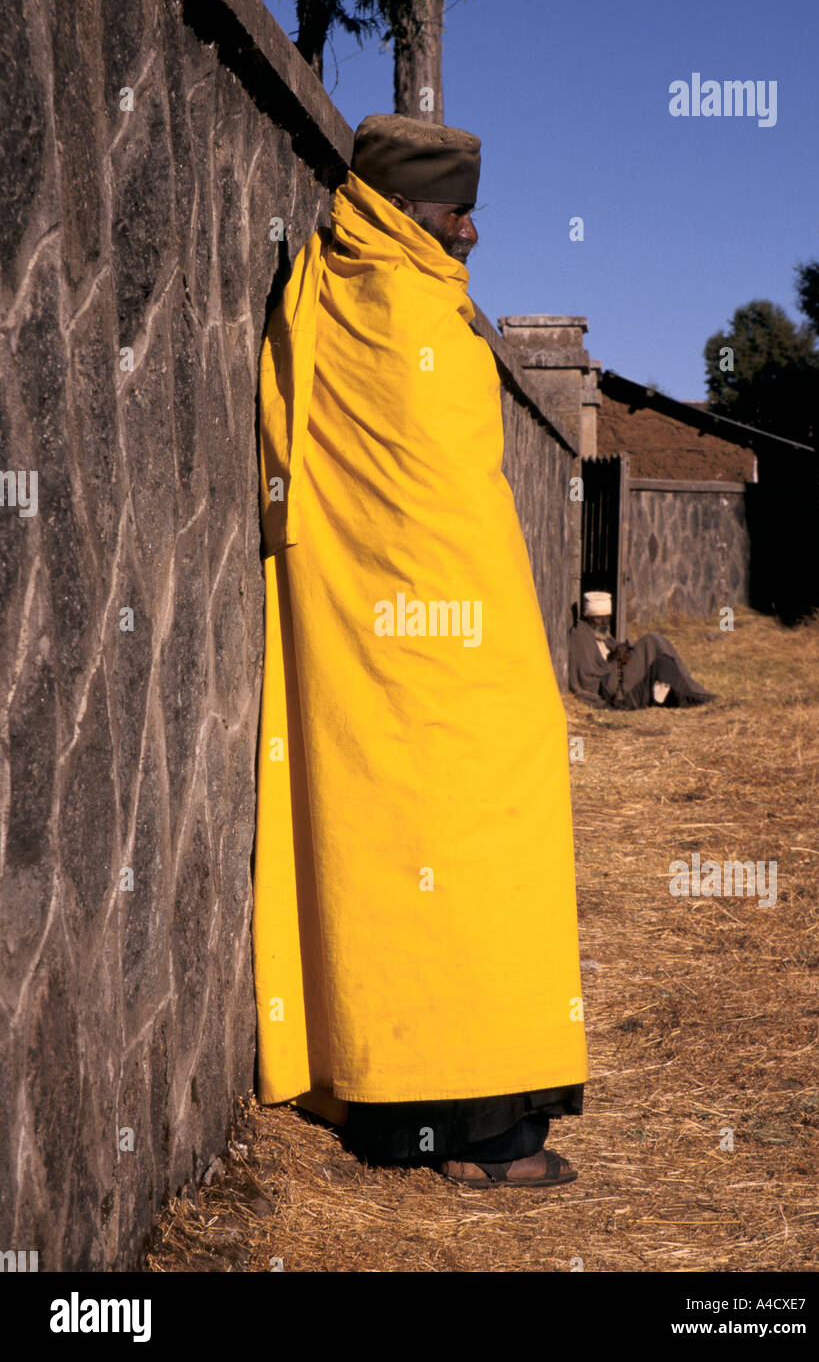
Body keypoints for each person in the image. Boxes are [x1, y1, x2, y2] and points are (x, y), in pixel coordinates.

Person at [252, 114, 588, 1189]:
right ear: (405, 209)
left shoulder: (370, 281)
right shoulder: (384, 299)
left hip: (434, 627)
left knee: (446, 828)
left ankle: (446, 1089)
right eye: (456, 212)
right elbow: (412, 486)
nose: (473, 229)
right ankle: (461, 1118)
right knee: (439, 838)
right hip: (397, 630)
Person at [569, 591, 716, 710]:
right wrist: (614, 658)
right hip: (612, 687)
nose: (604, 623)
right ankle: (694, 693)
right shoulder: (581, 635)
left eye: (607, 618)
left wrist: (623, 651)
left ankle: (694, 694)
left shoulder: (603, 635)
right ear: (588, 617)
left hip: (620, 672)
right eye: (598, 619)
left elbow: (614, 653)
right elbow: (588, 676)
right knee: (650, 640)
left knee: (661, 661)